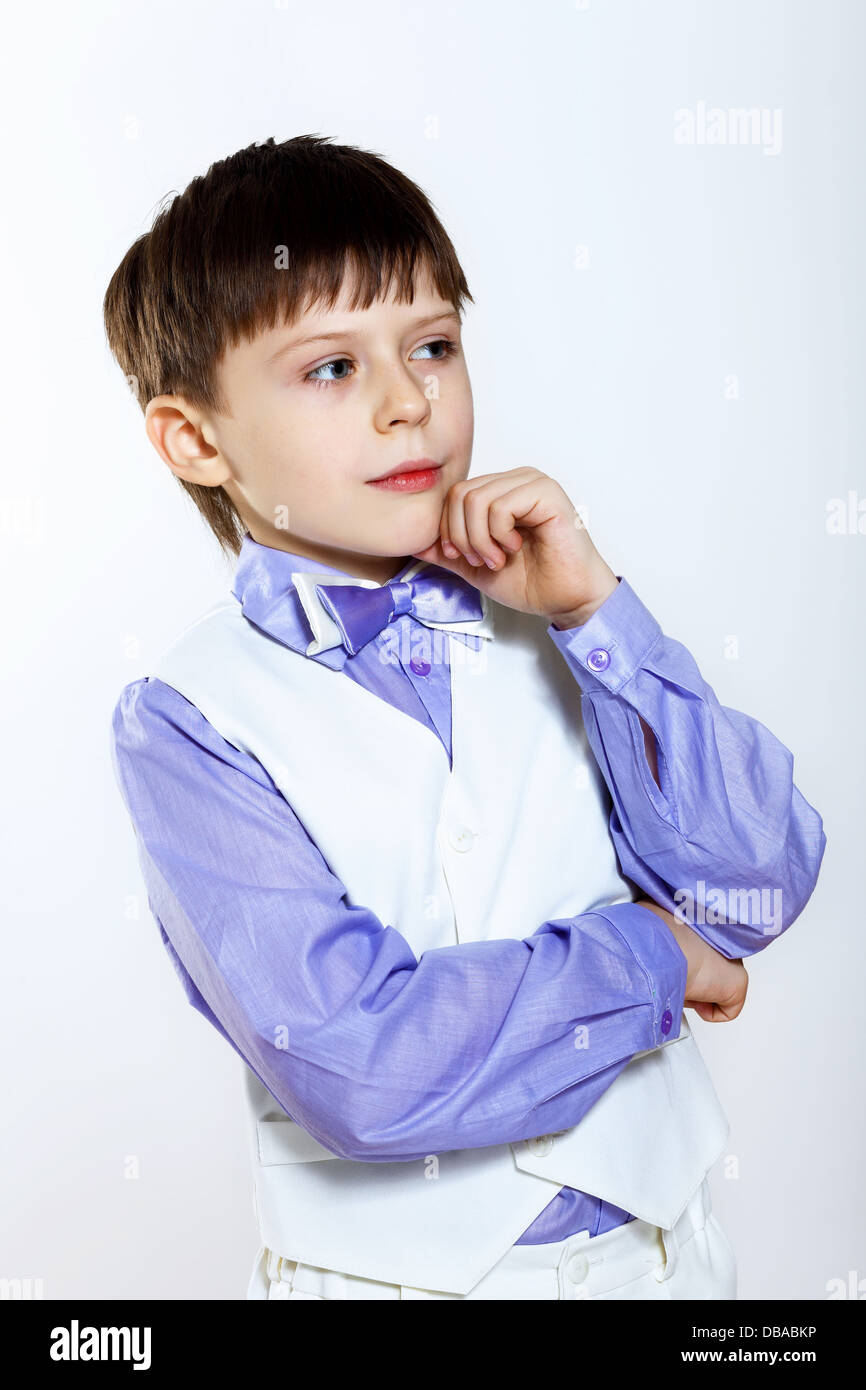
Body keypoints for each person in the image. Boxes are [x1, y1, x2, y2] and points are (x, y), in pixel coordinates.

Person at [104, 134, 825, 1300]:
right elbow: (361, 1065)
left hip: (669, 1262)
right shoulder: (191, 720)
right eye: (330, 368)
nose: (408, 402)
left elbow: (755, 878)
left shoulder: (548, 603)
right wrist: (652, 957)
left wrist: (596, 615)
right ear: (196, 438)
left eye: (433, 345)